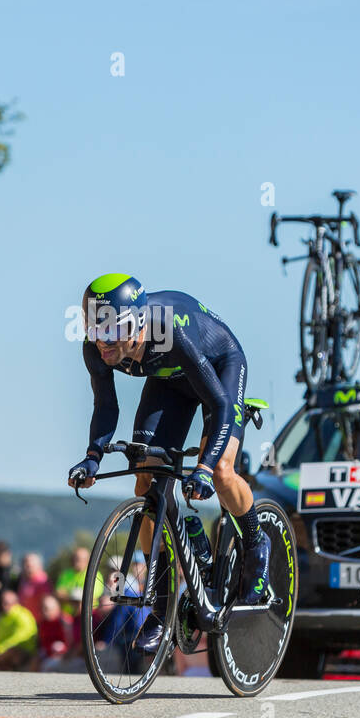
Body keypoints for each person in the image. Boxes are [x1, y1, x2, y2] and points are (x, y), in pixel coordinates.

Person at [67, 273, 268, 654]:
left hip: (219, 368)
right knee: (145, 482)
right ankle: (162, 604)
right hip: (169, 382)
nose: (102, 341)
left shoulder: (168, 333)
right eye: (94, 328)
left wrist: (206, 467)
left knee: (223, 472)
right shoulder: (96, 349)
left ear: (138, 324)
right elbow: (105, 406)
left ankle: (257, 544)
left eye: (111, 330)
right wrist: (93, 456)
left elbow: (220, 404)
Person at [0, 587, 39, 671]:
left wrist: (2, 648)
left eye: (8, 603)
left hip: (24, 651)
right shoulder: (1, 618)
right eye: (3, 603)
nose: (5, 606)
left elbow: (22, 637)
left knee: (12, 655)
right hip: (5, 651)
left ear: (16, 603)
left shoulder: (23, 615)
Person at [16, 552, 52, 620]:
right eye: (25, 565)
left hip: (38, 621)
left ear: (38, 566)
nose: (27, 568)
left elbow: (46, 602)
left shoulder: (42, 581)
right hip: (25, 620)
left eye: (29, 566)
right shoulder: (23, 579)